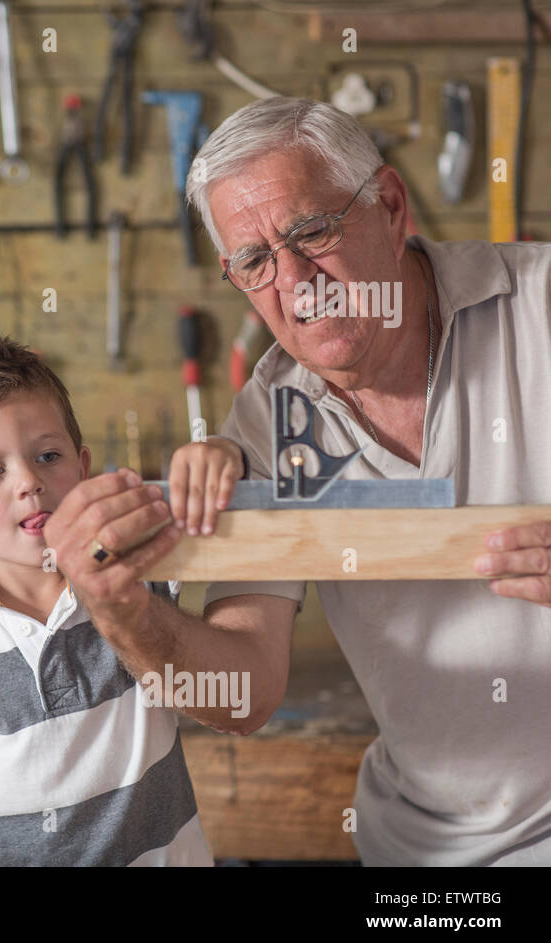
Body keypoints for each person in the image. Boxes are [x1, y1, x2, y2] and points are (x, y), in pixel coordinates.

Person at [45, 96, 551, 865]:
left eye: (310, 231)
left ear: (389, 205)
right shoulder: (269, 426)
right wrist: (120, 613)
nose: (295, 280)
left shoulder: (540, 306)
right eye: (254, 261)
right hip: (433, 851)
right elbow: (242, 697)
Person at [0, 329, 213, 866]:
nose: (29, 482)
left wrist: (220, 456)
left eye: (47, 455)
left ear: (82, 468)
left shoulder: (145, 573)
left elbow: (219, 521)